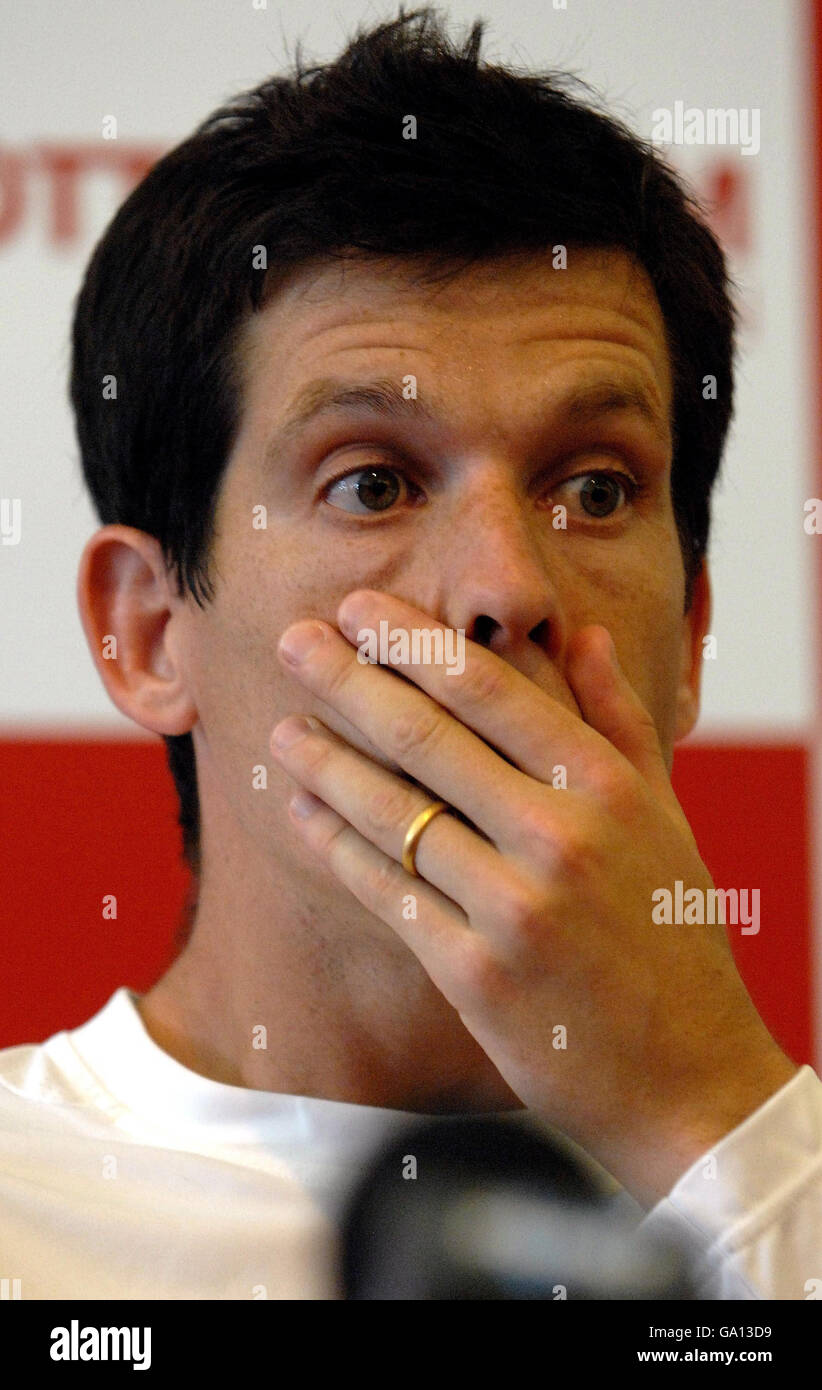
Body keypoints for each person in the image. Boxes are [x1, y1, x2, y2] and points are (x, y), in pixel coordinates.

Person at [1, 8, 819, 1300]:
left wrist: (713, 1120)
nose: (504, 586)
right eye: (372, 481)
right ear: (149, 630)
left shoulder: (780, 1165)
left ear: (694, 633)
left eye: (594, 490)